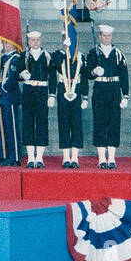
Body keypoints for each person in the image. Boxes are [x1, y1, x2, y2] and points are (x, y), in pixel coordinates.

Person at [86, 25, 129, 169]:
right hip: (99, 90)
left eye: (109, 36)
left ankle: (111, 158)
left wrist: (126, 95)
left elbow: (124, 76)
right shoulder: (93, 53)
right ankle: (101, 159)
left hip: (114, 90)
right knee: (99, 123)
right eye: (104, 36)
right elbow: (86, 73)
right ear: (99, 37)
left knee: (113, 123)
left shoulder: (118, 53)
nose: (106, 38)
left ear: (112, 37)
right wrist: (93, 71)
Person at [48, 31, 89, 169]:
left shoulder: (81, 57)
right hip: (62, 90)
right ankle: (66, 156)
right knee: (64, 123)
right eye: (65, 38)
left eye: (71, 39)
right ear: (62, 40)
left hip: (76, 90)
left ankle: (75, 157)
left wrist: (85, 96)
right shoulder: (57, 55)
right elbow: (53, 69)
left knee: (76, 124)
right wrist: (52, 94)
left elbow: (84, 79)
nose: (69, 41)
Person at [17, 30, 50, 168]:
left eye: (37, 40)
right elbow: (16, 74)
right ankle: (31, 157)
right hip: (29, 90)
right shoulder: (23, 55)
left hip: (42, 90)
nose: (35, 42)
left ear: (40, 41)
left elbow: (52, 76)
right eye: (32, 40)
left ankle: (40, 157)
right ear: (28, 42)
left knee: (42, 122)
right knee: (28, 122)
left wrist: (52, 94)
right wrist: (21, 75)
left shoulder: (47, 55)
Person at [0, 38, 20, 166]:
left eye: (6, 43)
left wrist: (1, 89)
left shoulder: (15, 58)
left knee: (12, 128)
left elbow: (12, 78)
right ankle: (8, 154)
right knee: (7, 128)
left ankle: (15, 157)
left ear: (13, 45)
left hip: (10, 96)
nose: (4, 45)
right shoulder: (5, 58)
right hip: (4, 97)